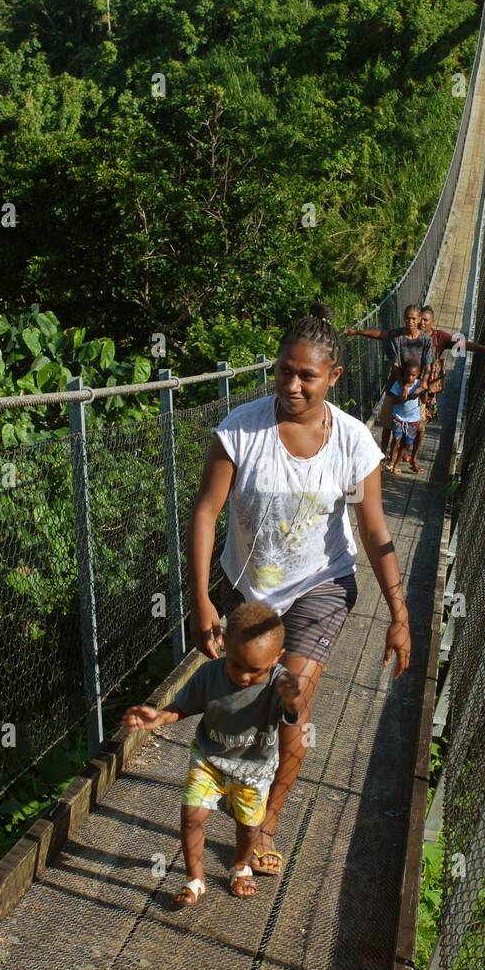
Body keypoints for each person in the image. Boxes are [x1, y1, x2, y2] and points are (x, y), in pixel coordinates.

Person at [187, 301, 412, 876]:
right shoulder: (242, 429)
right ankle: (234, 791)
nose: (291, 384)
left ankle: (266, 821)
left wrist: (399, 611)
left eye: (306, 375)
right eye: (284, 369)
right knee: (244, 701)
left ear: (333, 377)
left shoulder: (355, 442)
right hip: (251, 587)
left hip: (322, 583)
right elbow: (206, 511)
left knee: (290, 701)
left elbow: (374, 527)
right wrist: (201, 598)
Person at [122, 601, 303, 905]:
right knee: (192, 816)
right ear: (224, 645)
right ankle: (195, 878)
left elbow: (294, 711)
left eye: (255, 670)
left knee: (248, 828)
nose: (244, 677)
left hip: (253, 770)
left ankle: (240, 865)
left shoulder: (279, 682)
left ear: (276, 659)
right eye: (236, 665)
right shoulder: (210, 675)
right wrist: (158, 717)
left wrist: (292, 699)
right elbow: (182, 707)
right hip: (209, 759)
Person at [343, 305, 433, 456]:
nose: (410, 321)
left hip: (417, 387)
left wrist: (423, 383)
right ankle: (382, 454)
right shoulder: (397, 337)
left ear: (419, 320)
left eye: (413, 318)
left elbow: (428, 365)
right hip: (396, 385)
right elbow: (396, 365)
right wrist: (402, 385)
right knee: (387, 423)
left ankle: (398, 457)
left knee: (415, 424)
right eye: (407, 318)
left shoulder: (425, 340)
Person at [418, 305, 485, 422]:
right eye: (420, 319)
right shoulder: (410, 334)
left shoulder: (439, 337)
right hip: (410, 380)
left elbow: (462, 344)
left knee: (421, 422)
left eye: (425, 320)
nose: (421, 323)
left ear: (432, 322)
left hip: (427, 384)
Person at [385, 364, 424, 476]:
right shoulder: (398, 385)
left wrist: (423, 391)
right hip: (399, 417)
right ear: (403, 374)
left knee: (407, 443)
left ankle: (397, 463)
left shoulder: (418, 385)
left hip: (413, 419)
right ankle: (391, 462)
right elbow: (393, 400)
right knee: (396, 439)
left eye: (413, 375)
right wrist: (404, 397)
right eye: (408, 374)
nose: (410, 377)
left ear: (417, 375)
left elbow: (425, 397)